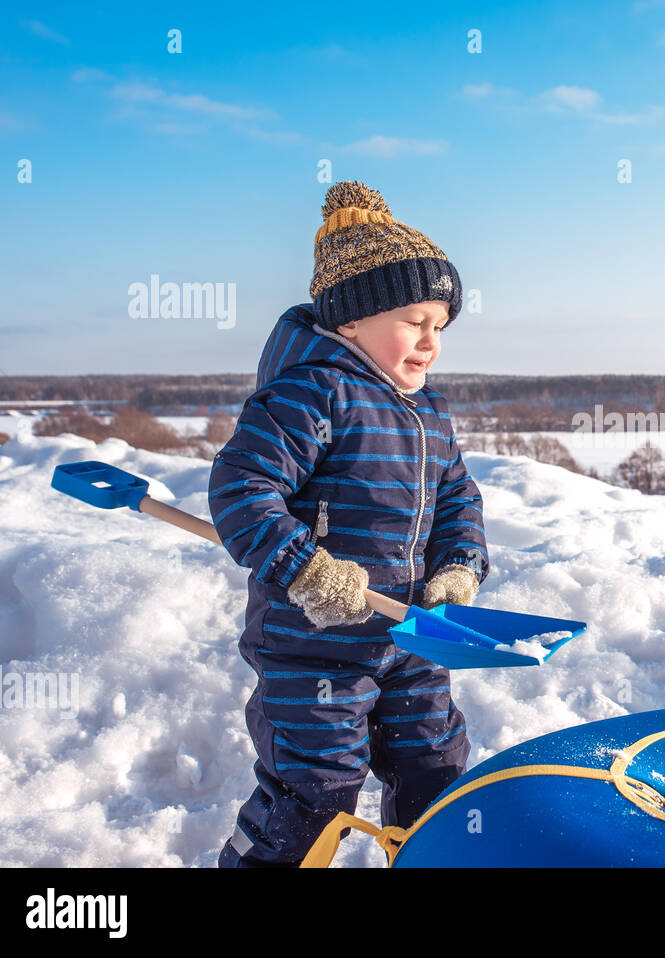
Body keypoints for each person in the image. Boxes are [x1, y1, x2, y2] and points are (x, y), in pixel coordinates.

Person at [208, 180, 487, 866]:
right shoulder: (311, 393)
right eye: (415, 321)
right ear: (351, 320)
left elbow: (458, 500)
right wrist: (305, 568)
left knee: (436, 772)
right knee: (316, 787)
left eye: (440, 327)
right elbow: (242, 487)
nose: (431, 342)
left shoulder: (429, 414)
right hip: (314, 646)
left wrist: (458, 567)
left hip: (412, 636)